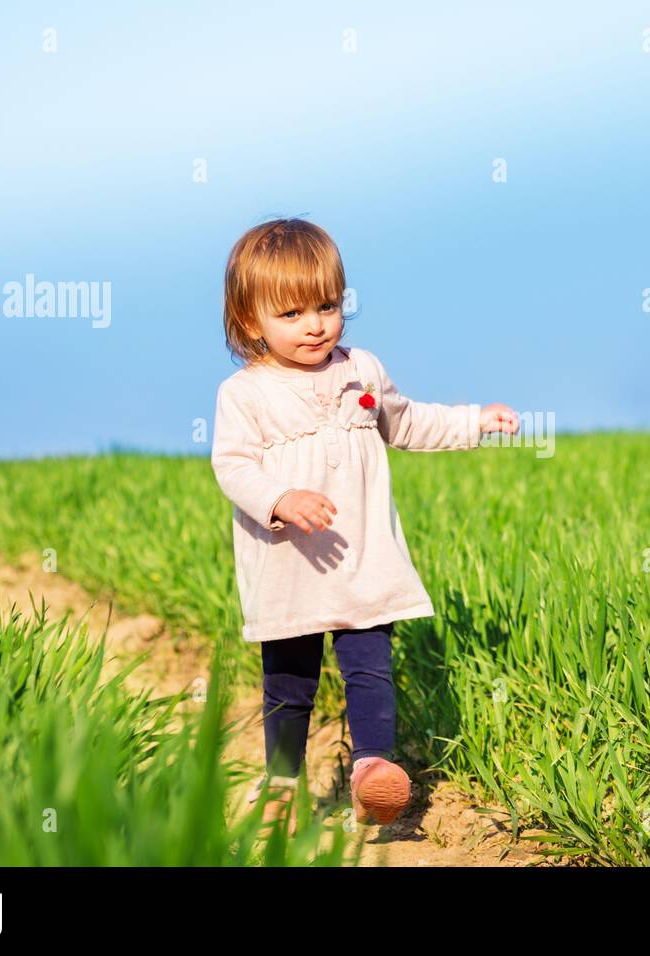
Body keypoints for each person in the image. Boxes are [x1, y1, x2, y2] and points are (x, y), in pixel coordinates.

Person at [211, 218, 519, 831]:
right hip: (290, 567)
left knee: (371, 668)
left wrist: (472, 421)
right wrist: (279, 498)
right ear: (251, 322)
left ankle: (374, 770)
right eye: (293, 313)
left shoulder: (363, 371)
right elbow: (232, 465)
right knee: (289, 682)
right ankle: (281, 784)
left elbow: (406, 423)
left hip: (361, 559)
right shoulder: (245, 394)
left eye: (327, 306)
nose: (316, 324)